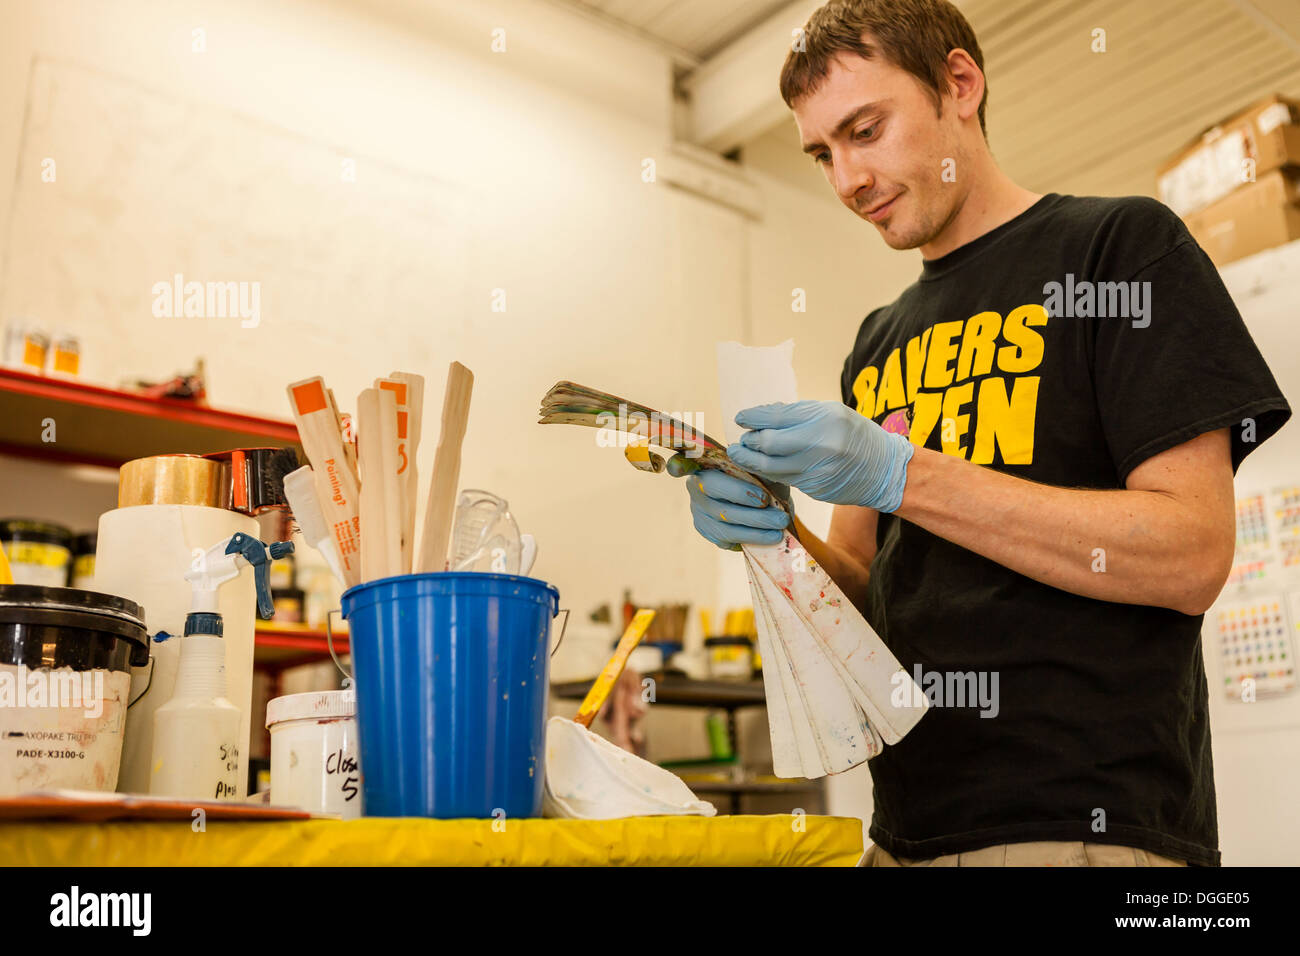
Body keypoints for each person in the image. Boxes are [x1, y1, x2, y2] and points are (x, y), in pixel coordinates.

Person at [679, 0, 1291, 867]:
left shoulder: (1120, 250)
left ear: (959, 85)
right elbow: (864, 591)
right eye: (823, 152)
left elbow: (1192, 555)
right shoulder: (877, 341)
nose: (849, 178)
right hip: (905, 832)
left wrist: (904, 475)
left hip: (1088, 828)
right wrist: (782, 538)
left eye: (866, 128)